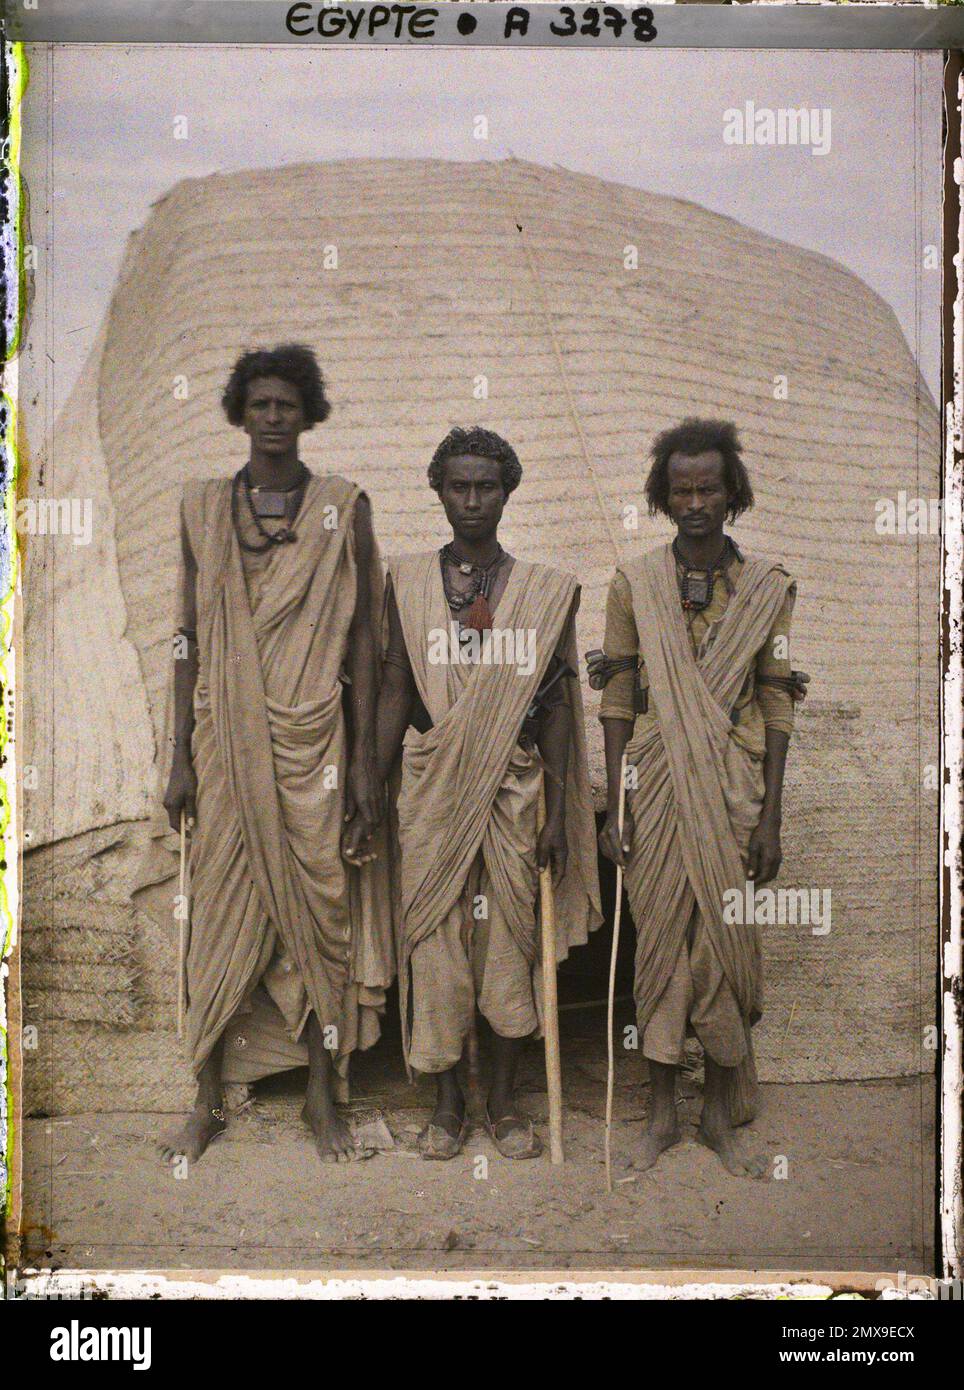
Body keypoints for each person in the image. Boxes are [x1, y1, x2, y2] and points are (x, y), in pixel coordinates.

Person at [160, 344, 391, 1166]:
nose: (272, 417)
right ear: (240, 411)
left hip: (312, 741)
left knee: (321, 913)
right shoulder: (202, 509)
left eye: (286, 404)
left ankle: (325, 1095)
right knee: (216, 914)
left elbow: (363, 640)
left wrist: (362, 764)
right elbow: (186, 636)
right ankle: (205, 1098)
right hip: (224, 740)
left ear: (307, 413)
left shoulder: (341, 507)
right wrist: (178, 755)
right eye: (259, 404)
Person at [364, 427, 601, 1159]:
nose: (472, 500)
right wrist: (367, 785)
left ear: (507, 492)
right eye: (459, 486)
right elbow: (397, 687)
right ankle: (446, 1105)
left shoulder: (543, 592)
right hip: (434, 787)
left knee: (507, 943)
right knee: (434, 942)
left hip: (511, 788)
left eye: (486, 487)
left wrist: (560, 813)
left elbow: (556, 705)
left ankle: (501, 1102)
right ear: (438, 491)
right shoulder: (407, 582)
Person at [594, 418, 806, 1178]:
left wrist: (771, 816)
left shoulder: (767, 588)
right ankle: (660, 1117)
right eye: (680, 490)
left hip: (732, 786)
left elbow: (776, 696)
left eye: (707, 489)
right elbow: (619, 696)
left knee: (724, 947)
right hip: (654, 783)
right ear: (663, 496)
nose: (694, 503)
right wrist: (618, 802)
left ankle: (717, 1116)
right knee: (658, 944)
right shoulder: (634, 584)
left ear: (731, 493)